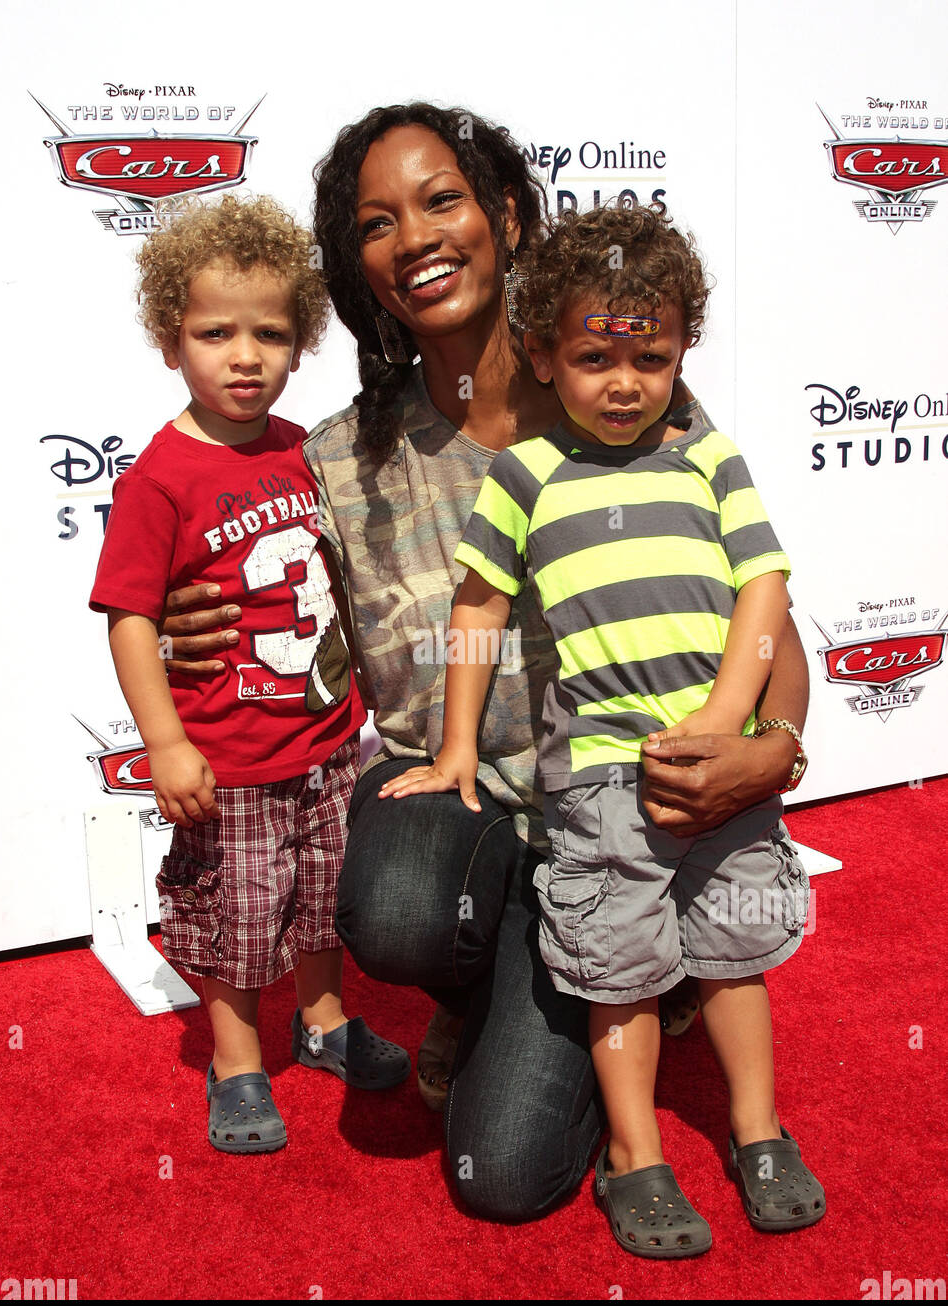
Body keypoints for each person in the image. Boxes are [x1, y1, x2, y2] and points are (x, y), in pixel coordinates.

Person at [159, 105, 811, 1220]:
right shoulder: (334, 459)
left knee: (502, 1181)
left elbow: (766, 618)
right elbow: (232, 562)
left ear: (505, 214)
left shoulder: (621, 397)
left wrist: (774, 749)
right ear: (355, 266)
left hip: (614, 813)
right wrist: (183, 610)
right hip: (458, 810)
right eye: (375, 221)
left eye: (441, 199)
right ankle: (492, 974)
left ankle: (640, 977)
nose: (413, 234)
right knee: (401, 902)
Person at [381, 205, 824, 1255]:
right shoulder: (523, 476)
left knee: (733, 955)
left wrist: (732, 725)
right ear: (542, 352)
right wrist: (452, 748)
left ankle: (757, 1131)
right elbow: (477, 610)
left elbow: (764, 590)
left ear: (680, 353)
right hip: (598, 781)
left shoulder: (709, 456)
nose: (623, 381)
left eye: (650, 356)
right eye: (591, 357)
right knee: (617, 967)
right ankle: (638, 1151)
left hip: (727, 773)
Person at [89, 195, 409, 1156]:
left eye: (269, 333)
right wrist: (167, 741)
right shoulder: (159, 478)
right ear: (168, 339)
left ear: (301, 341)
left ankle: (323, 1026)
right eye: (214, 331)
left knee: (319, 902)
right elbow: (132, 620)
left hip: (324, 744)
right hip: (228, 760)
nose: (243, 355)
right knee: (234, 919)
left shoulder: (300, 450)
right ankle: (236, 1063)